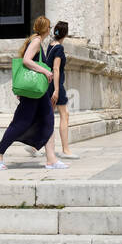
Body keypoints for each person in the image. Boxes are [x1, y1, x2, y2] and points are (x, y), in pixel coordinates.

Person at [0, 16, 68, 171]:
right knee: (20, 123)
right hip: (33, 92)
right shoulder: (36, 41)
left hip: (39, 91)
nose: (50, 30)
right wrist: (46, 71)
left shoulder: (37, 41)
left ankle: (51, 159)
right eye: (49, 27)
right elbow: (26, 61)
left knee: (48, 121)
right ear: (46, 28)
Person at [46, 20, 78, 160]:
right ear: (66, 33)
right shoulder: (59, 48)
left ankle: (34, 145)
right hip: (56, 85)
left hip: (50, 84)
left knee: (49, 115)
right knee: (64, 115)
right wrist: (57, 90)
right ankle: (66, 149)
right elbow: (56, 68)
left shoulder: (50, 45)